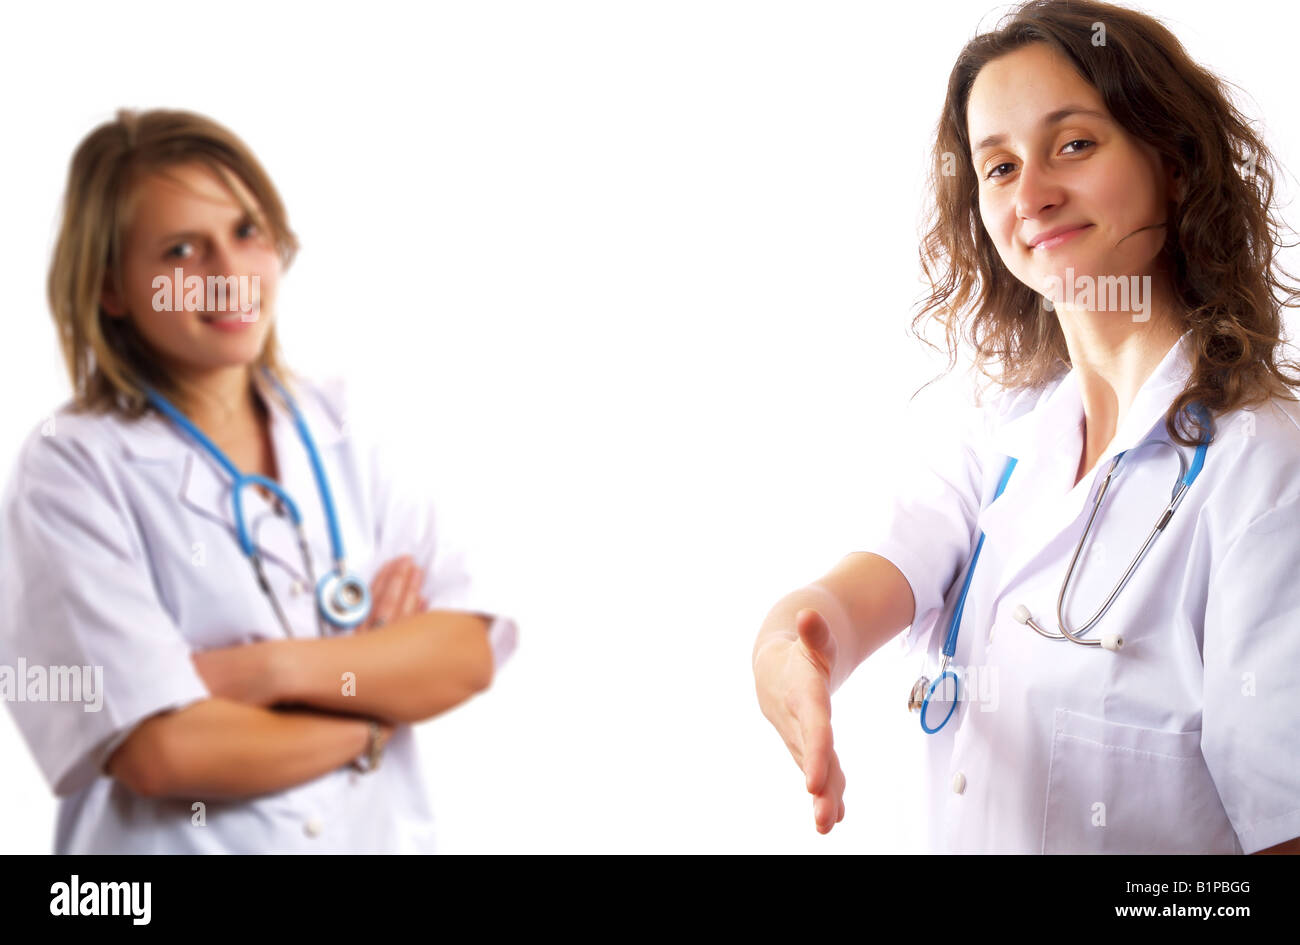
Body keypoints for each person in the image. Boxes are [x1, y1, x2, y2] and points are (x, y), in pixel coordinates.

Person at [753, 0, 1300, 854]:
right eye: (999, 167)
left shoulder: (1264, 474)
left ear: (1177, 164)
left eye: (1074, 144)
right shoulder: (1001, 433)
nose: (1034, 195)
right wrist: (790, 648)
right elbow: (847, 601)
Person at [0, 108, 517, 853]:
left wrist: (264, 670)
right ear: (111, 287)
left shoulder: (347, 425)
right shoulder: (70, 469)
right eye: (182, 250)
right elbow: (161, 752)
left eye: (247, 232)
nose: (230, 274)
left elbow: (466, 655)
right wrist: (374, 705)